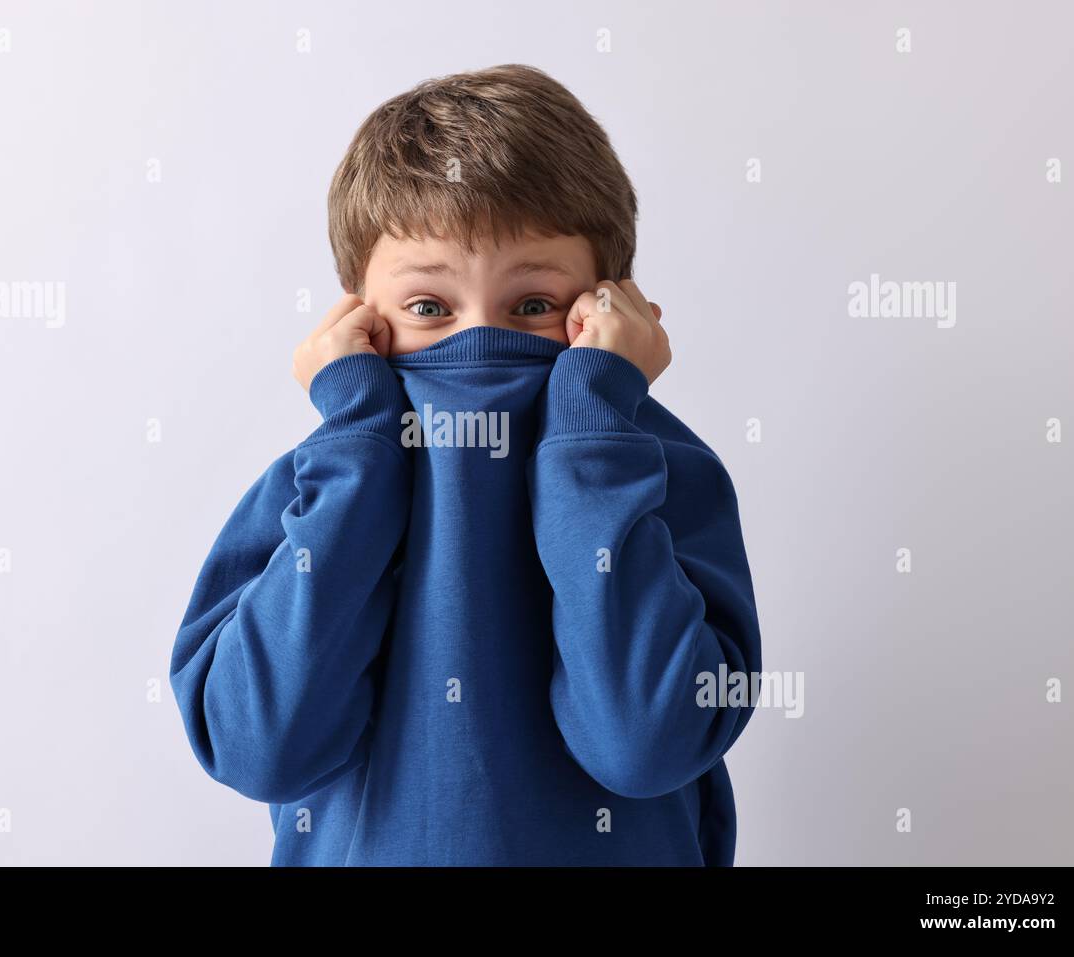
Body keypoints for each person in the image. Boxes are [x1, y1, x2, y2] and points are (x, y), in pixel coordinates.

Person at [169, 63, 762, 865]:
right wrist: (356, 454)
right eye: (427, 308)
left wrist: (591, 439)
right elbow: (260, 745)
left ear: (608, 306)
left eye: (532, 306)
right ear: (357, 315)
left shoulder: (660, 472)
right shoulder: (313, 482)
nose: (479, 341)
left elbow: (645, 740)